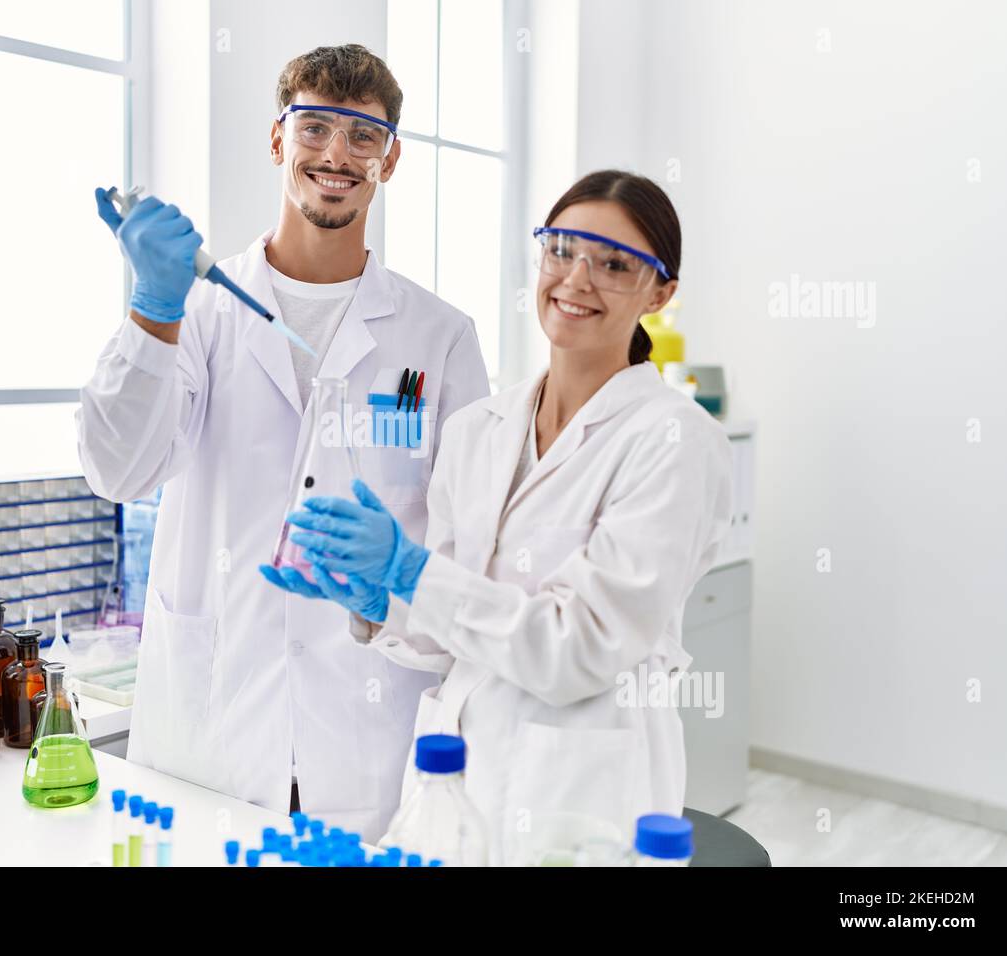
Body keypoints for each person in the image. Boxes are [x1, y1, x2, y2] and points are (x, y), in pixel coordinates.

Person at [76, 45, 490, 841]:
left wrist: (394, 590)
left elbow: (469, 541)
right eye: (316, 127)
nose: (337, 154)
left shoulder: (440, 338)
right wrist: (151, 309)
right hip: (218, 714)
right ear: (277, 141)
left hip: (370, 721)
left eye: (363, 136)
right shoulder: (194, 310)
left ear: (389, 159)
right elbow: (117, 472)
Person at [265, 170, 734, 862]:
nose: (577, 279)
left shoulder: (674, 440)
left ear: (660, 293)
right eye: (563, 250)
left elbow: (580, 648)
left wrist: (412, 571)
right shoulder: (479, 427)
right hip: (457, 775)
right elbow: (456, 629)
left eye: (614, 264)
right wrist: (378, 599)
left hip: (586, 785)